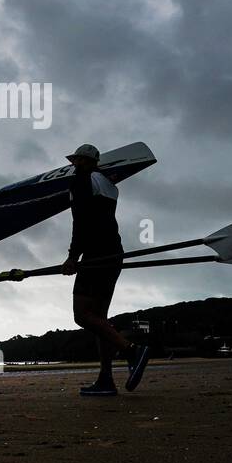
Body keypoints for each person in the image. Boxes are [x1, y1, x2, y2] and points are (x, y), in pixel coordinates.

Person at [60, 143, 150, 396]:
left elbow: (82, 222)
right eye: (75, 161)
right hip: (113, 252)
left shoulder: (80, 183)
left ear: (90, 163)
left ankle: (132, 350)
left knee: (82, 315)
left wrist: (72, 258)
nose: (76, 165)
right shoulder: (110, 186)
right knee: (100, 320)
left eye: (80, 161)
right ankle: (106, 380)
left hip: (96, 256)